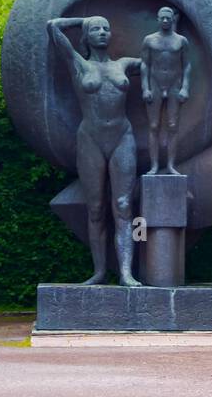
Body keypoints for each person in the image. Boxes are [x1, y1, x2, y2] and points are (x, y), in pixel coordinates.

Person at [47, 15, 142, 286]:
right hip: (91, 139)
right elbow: (52, 27)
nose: (102, 32)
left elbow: (157, 63)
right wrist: (83, 19)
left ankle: (126, 273)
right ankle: (99, 272)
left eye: (105, 28)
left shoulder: (124, 64)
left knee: (123, 205)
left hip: (122, 137)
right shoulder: (78, 63)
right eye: (95, 29)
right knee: (96, 208)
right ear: (86, 36)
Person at [140, 6, 191, 175]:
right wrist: (145, 88)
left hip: (174, 85)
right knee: (154, 126)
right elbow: (145, 64)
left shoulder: (181, 41)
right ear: (157, 19)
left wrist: (185, 87)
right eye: (162, 18)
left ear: (172, 19)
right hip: (155, 84)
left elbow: (187, 65)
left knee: (173, 125)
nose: (165, 21)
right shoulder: (149, 40)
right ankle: (154, 166)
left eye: (168, 18)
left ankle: (171, 165)